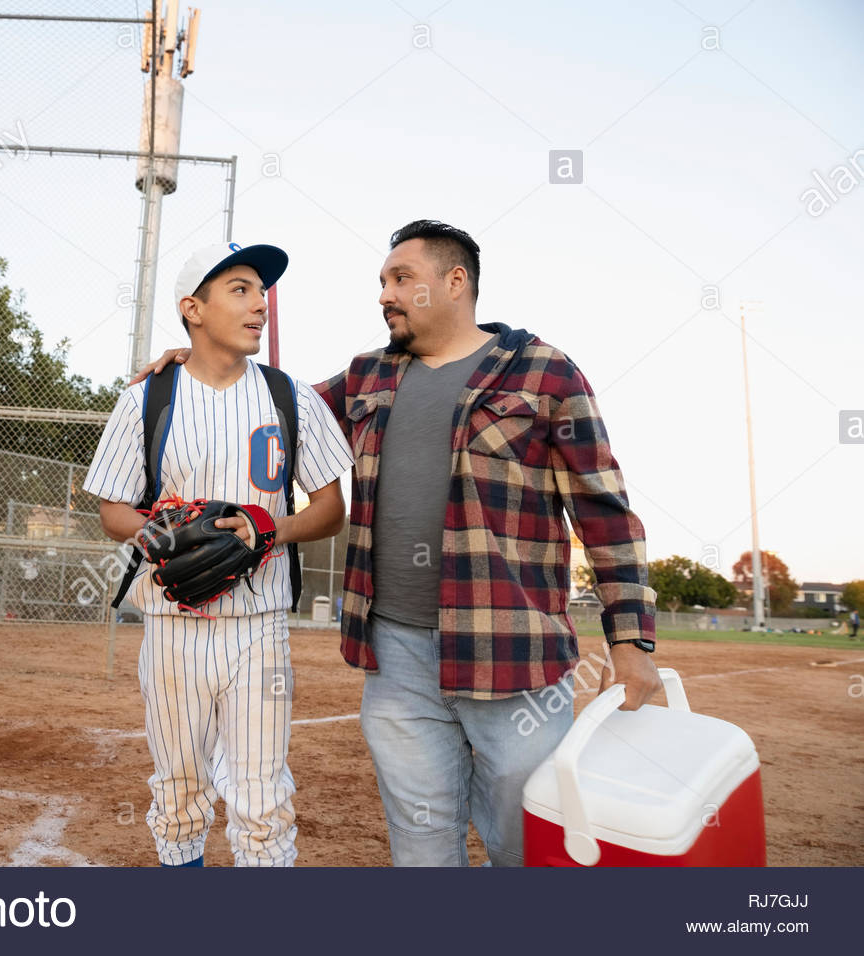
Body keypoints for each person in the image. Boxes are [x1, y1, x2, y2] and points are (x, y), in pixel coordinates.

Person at [136, 221, 661, 867]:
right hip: (397, 658)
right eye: (382, 281)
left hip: (513, 656)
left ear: (455, 282)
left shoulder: (546, 373)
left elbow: (603, 510)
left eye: (401, 279)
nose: (385, 293)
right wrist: (186, 367)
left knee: (528, 841)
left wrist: (631, 642)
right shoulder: (366, 378)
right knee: (421, 842)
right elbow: (261, 405)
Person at [84, 242, 352, 866]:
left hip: (259, 629)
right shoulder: (146, 399)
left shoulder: (292, 397)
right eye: (240, 288)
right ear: (192, 309)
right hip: (172, 625)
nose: (260, 303)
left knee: (262, 799)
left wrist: (270, 530)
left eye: (262, 291)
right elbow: (111, 509)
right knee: (179, 791)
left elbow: (330, 508)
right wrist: (161, 531)